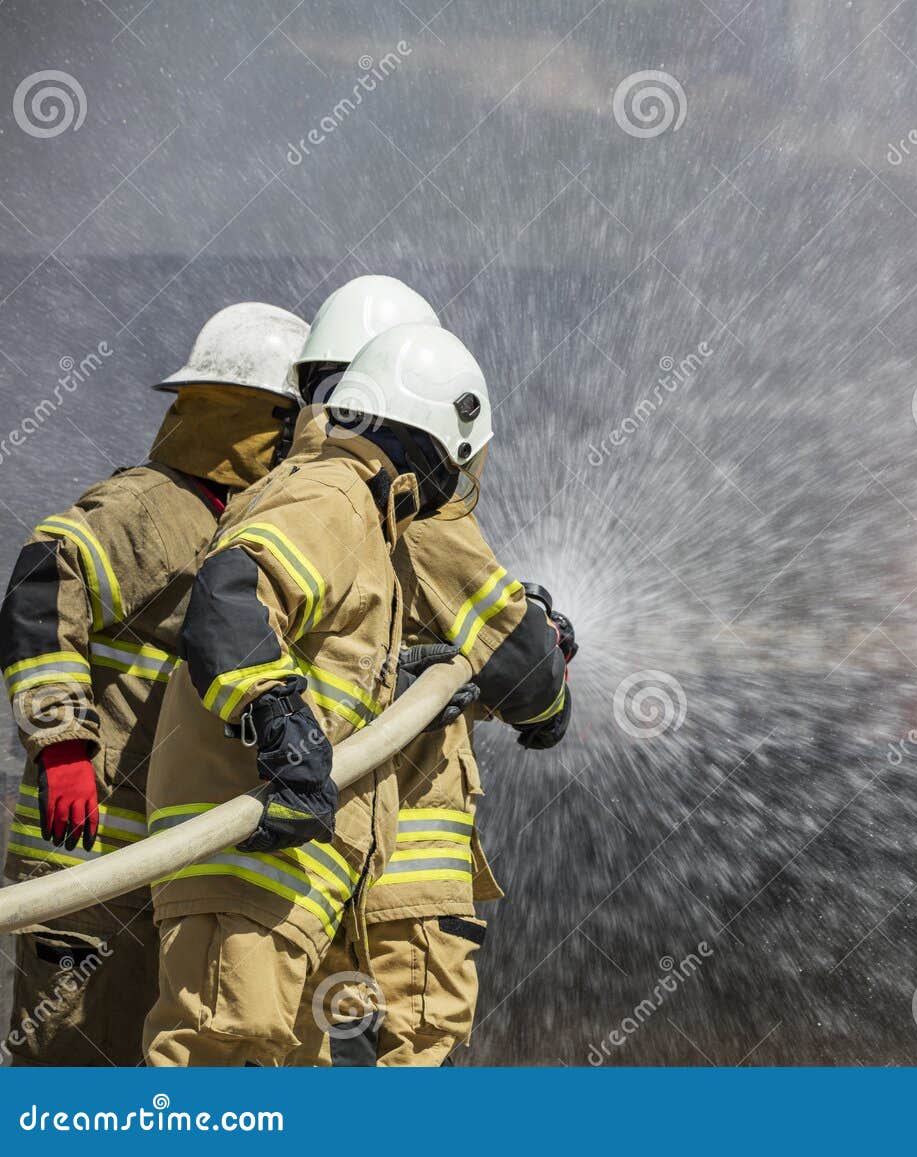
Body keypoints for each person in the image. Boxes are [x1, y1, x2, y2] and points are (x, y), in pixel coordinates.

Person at [140, 324, 495, 1066]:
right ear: (429, 442)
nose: (444, 492)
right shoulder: (333, 491)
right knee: (218, 1059)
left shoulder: (360, 515)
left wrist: (400, 680)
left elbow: (311, 643)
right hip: (244, 852)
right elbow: (234, 595)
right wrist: (280, 723)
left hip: (287, 865)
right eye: (448, 467)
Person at [274, 275, 574, 1065]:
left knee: (298, 1062)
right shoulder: (423, 512)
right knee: (413, 1052)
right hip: (401, 869)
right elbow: (529, 681)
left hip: (292, 858)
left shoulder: (275, 489)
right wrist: (543, 648)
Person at [0, 302, 308, 1065]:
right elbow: (43, 583)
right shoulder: (159, 506)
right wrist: (63, 742)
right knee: (70, 1074)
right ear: (267, 420)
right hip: (87, 860)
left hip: (157, 862)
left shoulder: (230, 522)